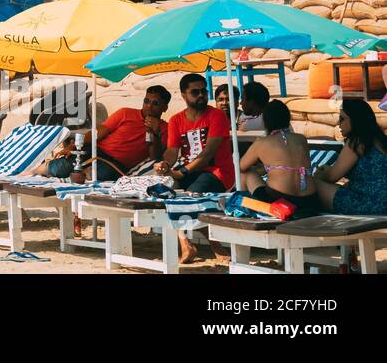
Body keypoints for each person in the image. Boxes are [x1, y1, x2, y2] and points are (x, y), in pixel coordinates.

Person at [156, 73, 236, 263]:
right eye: (195, 92)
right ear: (183, 95)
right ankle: (191, 244)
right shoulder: (176, 120)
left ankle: (196, 245)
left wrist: (181, 172)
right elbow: (172, 151)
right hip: (189, 172)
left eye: (204, 91)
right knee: (164, 192)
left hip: (218, 173)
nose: (201, 95)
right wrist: (165, 165)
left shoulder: (217, 116)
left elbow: (208, 154)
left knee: (189, 197)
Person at [45, 85, 170, 182]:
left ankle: (74, 176)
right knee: (60, 166)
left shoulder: (165, 128)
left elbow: (155, 157)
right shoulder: (125, 113)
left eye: (155, 103)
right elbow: (97, 133)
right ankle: (33, 172)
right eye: (146, 101)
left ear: (165, 108)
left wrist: (154, 133)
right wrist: (73, 145)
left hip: (116, 164)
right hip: (97, 150)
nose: (149, 106)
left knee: (99, 174)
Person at [238, 100, 321, 218]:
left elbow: (241, 166)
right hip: (309, 201)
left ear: (265, 122)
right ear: (287, 119)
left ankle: (242, 209)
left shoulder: (261, 143)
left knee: (247, 174)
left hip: (280, 202)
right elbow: (287, 166)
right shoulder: (301, 139)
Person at [313, 98, 387, 215]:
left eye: (342, 119)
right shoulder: (380, 139)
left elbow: (332, 177)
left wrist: (322, 172)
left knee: (312, 184)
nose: (338, 123)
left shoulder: (357, 142)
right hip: (382, 202)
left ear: (355, 120)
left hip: (370, 204)